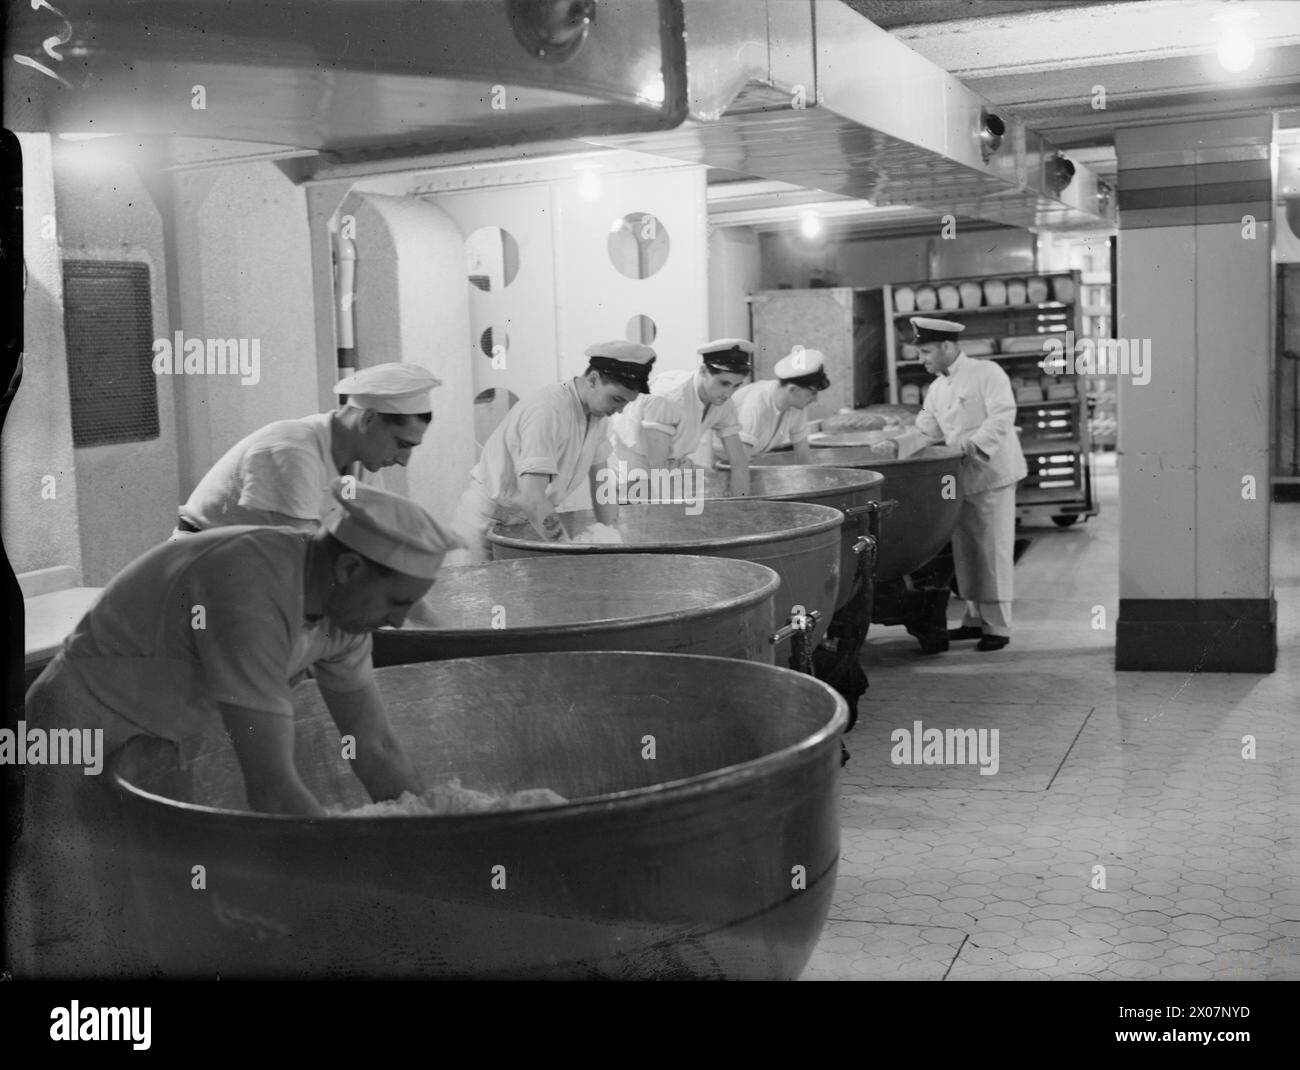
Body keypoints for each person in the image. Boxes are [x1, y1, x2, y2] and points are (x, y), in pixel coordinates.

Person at [7, 482, 461, 976]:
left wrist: (432, 852)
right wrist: (354, 894)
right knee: (71, 908)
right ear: (350, 569)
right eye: (396, 603)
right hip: (79, 728)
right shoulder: (249, 587)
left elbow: (376, 747)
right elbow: (271, 787)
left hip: (160, 737)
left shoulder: (343, 617)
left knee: (146, 909)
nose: (397, 623)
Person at [174, 362, 440, 534]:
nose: (404, 460)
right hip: (200, 573)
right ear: (368, 419)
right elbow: (303, 560)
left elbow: (372, 534)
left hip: (254, 574)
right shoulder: (294, 451)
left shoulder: (360, 464)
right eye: (402, 444)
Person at [446, 341, 652, 563]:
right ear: (593, 379)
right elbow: (532, 498)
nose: (619, 410)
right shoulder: (548, 410)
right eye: (617, 399)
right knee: (475, 594)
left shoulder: (598, 416)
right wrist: (566, 551)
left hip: (526, 524)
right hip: (486, 523)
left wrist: (612, 538)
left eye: (625, 403)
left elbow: (602, 482)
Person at [893, 317, 1028, 651]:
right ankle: (973, 618)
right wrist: (895, 445)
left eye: (925, 351)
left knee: (992, 549)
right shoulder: (937, 388)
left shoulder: (987, 373)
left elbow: (1002, 415)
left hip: (992, 473)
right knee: (967, 551)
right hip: (960, 479)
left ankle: (998, 626)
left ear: (947, 347)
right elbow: (927, 429)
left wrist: (970, 445)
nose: (921, 358)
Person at [611, 338, 753, 497]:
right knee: (658, 517)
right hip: (633, 469)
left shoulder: (723, 402)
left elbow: (739, 462)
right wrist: (674, 515)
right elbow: (657, 466)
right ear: (704, 371)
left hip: (670, 465)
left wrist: (742, 509)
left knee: (715, 488)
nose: (728, 393)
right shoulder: (668, 397)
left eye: (736, 385)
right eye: (724, 383)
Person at [714, 346, 830, 465]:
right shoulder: (755, 405)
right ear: (793, 389)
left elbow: (803, 453)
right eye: (812, 393)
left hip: (743, 461)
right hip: (712, 463)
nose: (815, 399)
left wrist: (810, 480)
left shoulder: (796, 405)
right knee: (699, 482)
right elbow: (739, 463)